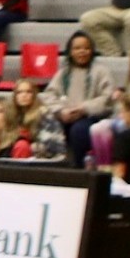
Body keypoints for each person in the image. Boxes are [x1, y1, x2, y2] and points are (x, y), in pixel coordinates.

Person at [44, 31, 116, 165]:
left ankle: (78, 169)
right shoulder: (63, 73)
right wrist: (61, 111)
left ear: (92, 51)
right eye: (77, 48)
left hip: (91, 117)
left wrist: (83, 109)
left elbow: (108, 98)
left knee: (78, 130)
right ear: (70, 51)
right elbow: (49, 95)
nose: (82, 52)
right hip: (65, 115)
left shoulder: (101, 71)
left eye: (86, 48)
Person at [7, 78, 65, 162]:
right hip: (19, 155)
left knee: (22, 146)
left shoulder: (44, 114)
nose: (24, 95)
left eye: (28, 92)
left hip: (44, 160)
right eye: (19, 92)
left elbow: (53, 147)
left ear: (34, 95)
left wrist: (29, 146)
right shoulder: (11, 114)